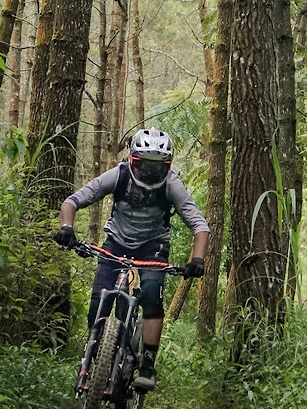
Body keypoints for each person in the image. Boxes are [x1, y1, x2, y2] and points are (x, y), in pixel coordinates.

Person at [54, 128, 209, 392]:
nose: (149, 172)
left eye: (156, 167)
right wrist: (67, 228)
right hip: (115, 243)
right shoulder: (119, 175)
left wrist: (198, 259)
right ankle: (95, 353)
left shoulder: (171, 184)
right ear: (132, 159)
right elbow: (73, 201)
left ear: (167, 166)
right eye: (143, 165)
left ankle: (147, 364)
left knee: (151, 296)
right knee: (99, 300)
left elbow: (199, 225)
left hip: (153, 247)